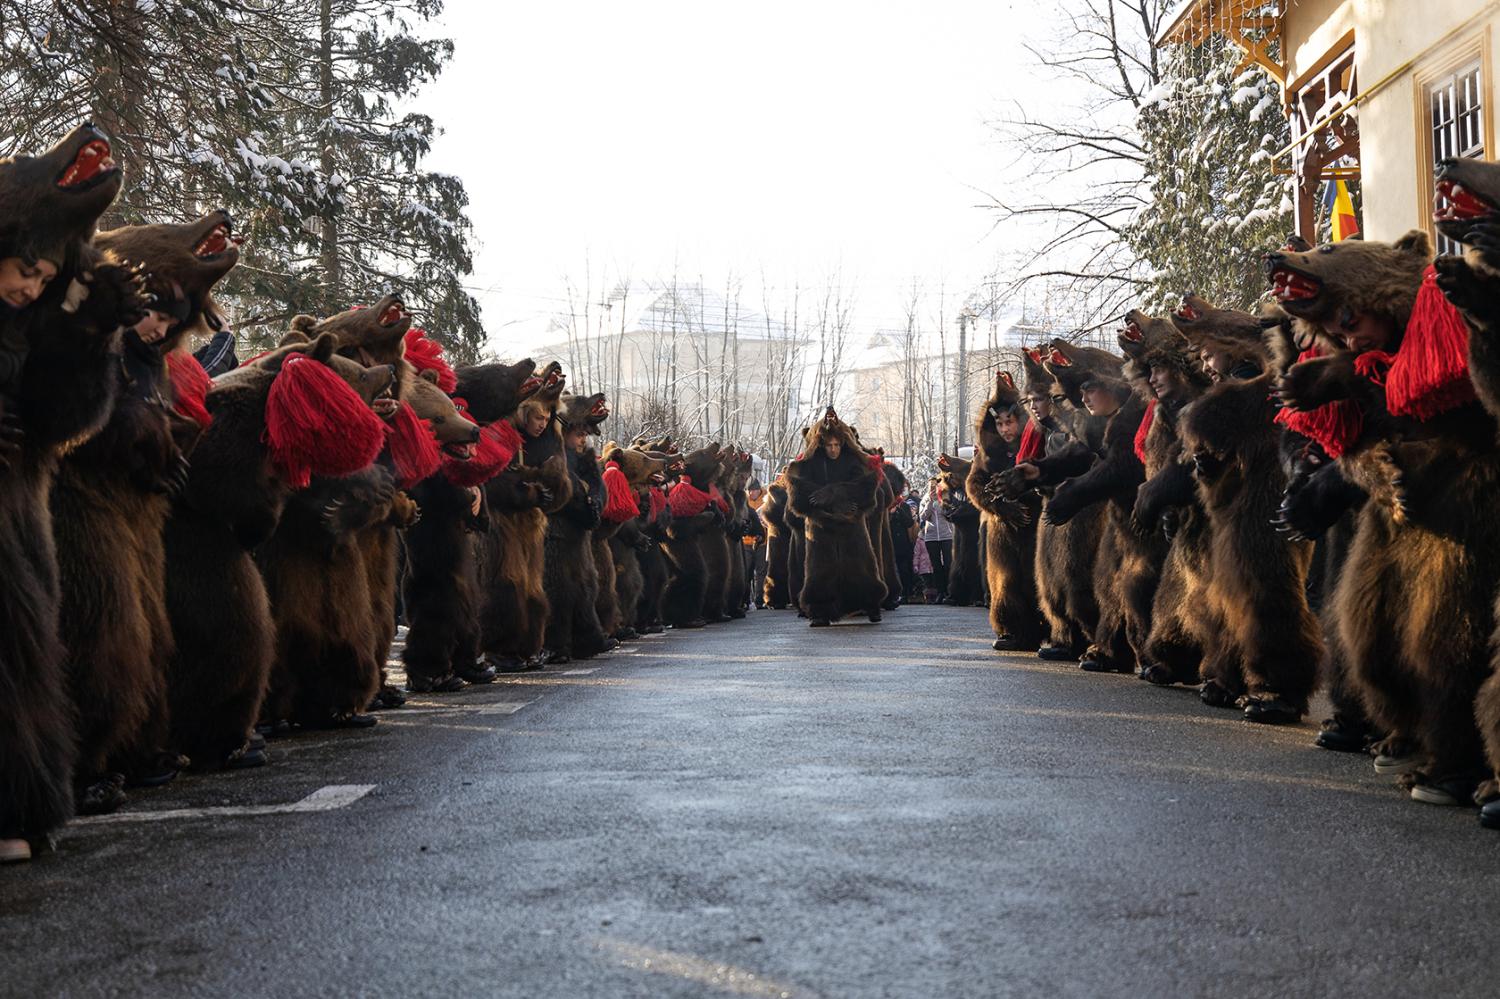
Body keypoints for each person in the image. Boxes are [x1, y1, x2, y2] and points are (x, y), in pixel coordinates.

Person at [918, 476, 953, 602]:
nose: (933, 487)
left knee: (949, 563)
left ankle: (950, 591)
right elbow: (923, 516)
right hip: (931, 536)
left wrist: (941, 503)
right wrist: (930, 503)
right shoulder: (925, 499)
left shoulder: (944, 497)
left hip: (946, 535)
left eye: (935, 485)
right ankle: (941, 592)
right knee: (936, 565)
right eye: (930, 485)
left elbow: (949, 514)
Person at [746, 478, 768, 607]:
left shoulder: (766, 499)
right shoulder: (743, 500)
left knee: (761, 571)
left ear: (759, 490)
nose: (751, 493)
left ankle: (760, 598)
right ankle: (745, 599)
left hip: (762, 541)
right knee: (747, 571)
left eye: (754, 490)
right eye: (749, 490)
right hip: (746, 541)